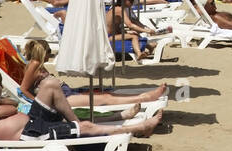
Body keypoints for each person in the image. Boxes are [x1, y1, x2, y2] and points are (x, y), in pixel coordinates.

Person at [0, 81, 162, 141]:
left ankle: (75, 124)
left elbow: (13, 106)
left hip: (31, 120)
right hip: (31, 133)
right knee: (85, 125)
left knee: (50, 85)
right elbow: (10, 109)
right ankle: (141, 128)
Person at [19, 39, 167, 113]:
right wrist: (38, 103)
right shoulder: (33, 65)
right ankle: (144, 98)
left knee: (105, 93)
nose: (50, 55)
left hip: (65, 94)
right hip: (62, 99)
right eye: (49, 52)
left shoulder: (37, 65)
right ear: (42, 53)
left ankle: (143, 95)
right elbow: (24, 88)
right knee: (106, 98)